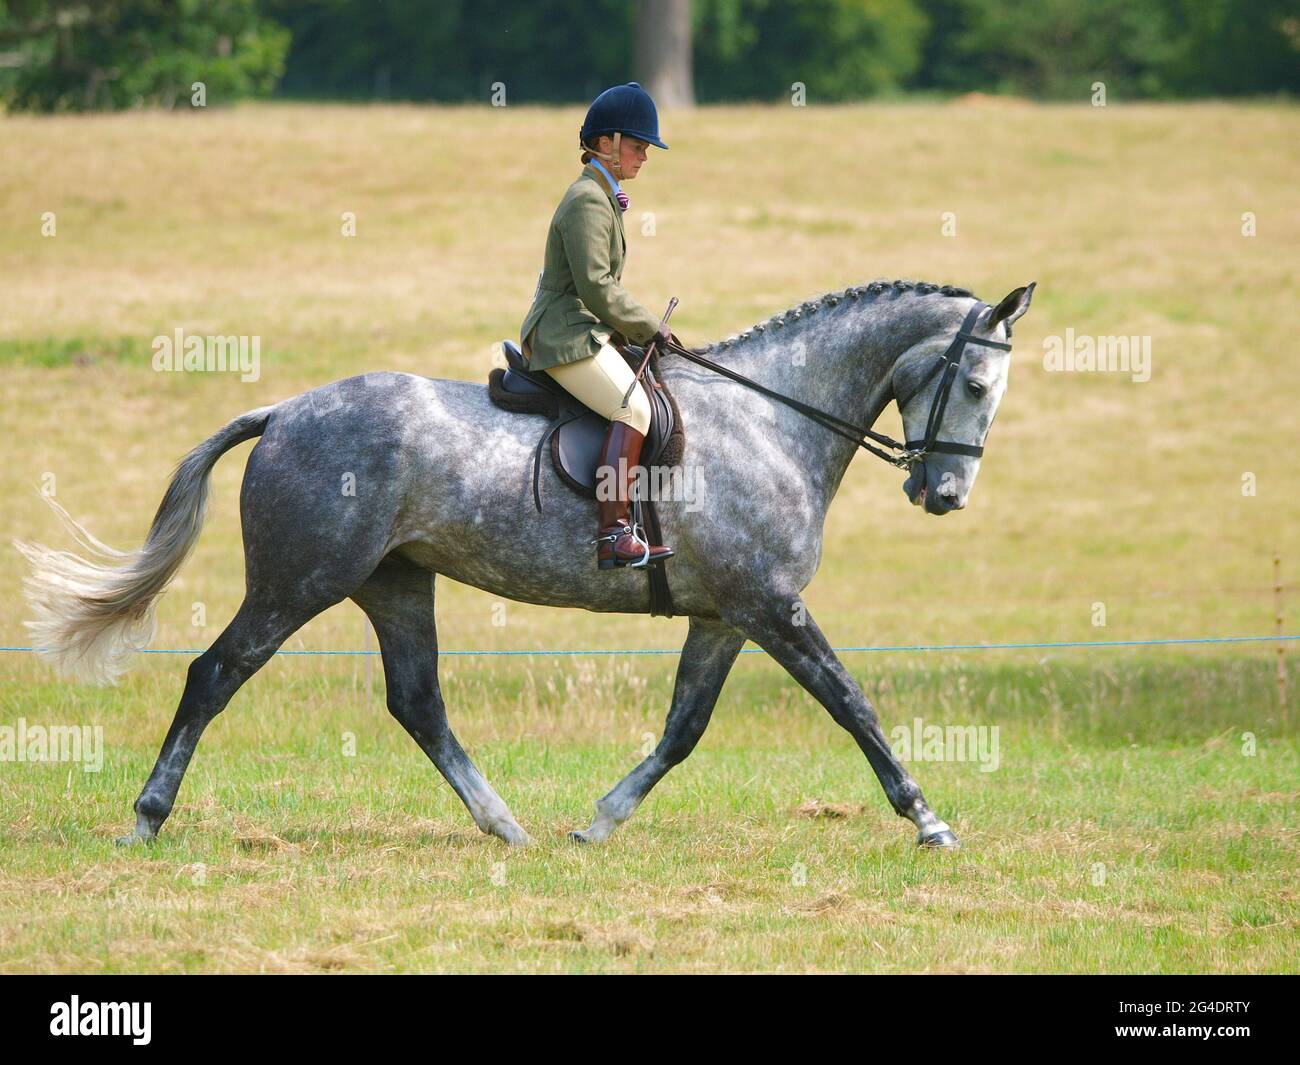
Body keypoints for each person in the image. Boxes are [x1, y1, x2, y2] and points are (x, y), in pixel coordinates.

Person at [518, 81, 674, 570]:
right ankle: (612, 534)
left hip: (585, 329)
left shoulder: (602, 195)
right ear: (604, 144)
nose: (644, 155)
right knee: (634, 411)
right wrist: (649, 327)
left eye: (646, 147)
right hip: (563, 333)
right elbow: (595, 286)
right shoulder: (587, 199)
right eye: (636, 144)